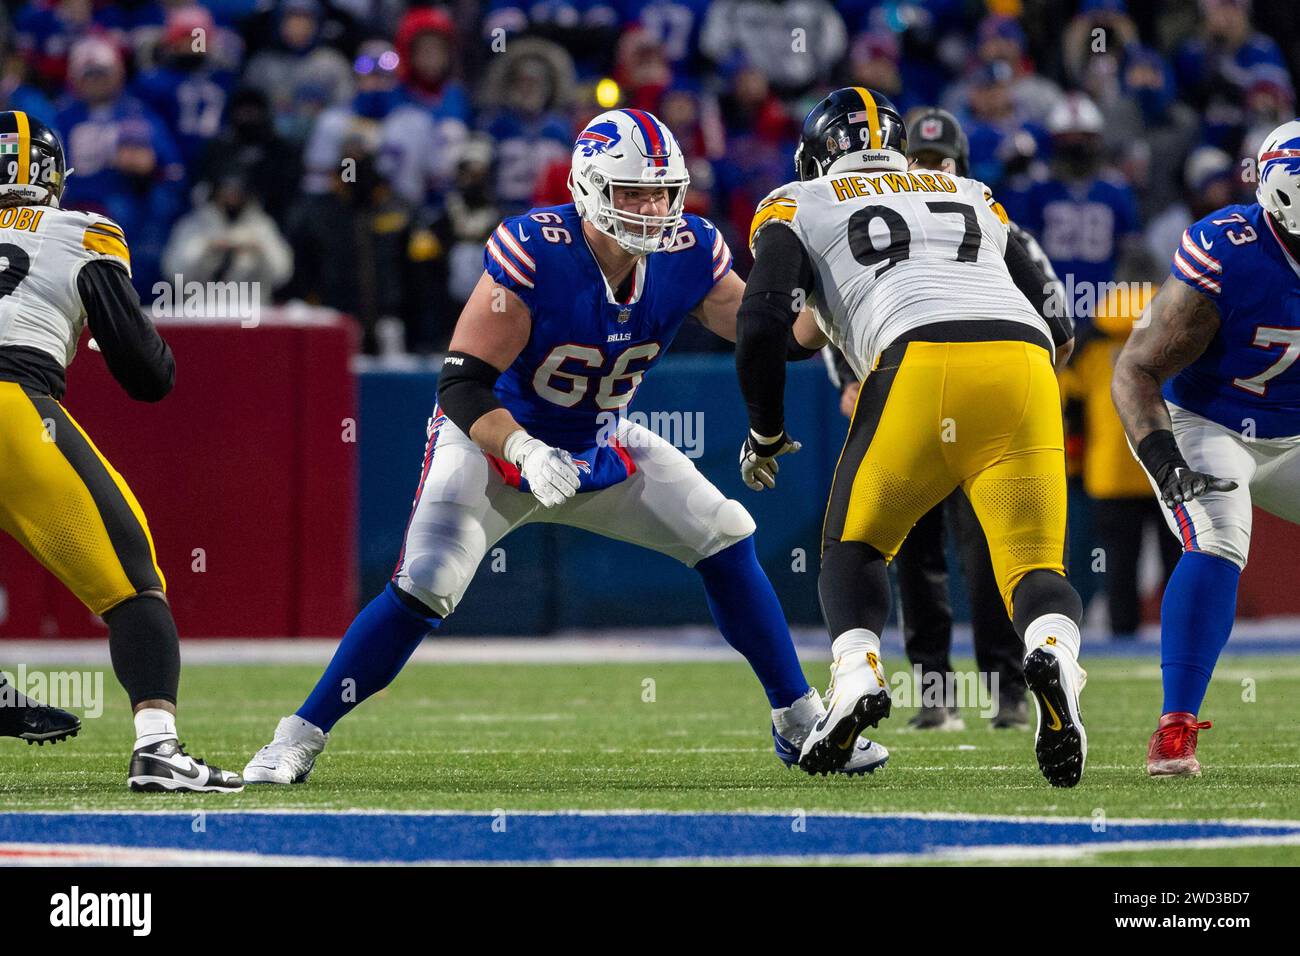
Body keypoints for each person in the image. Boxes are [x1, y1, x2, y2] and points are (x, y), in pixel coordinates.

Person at [242, 109, 889, 784]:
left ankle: (796, 718)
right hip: (491, 443)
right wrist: (522, 450)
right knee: (427, 583)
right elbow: (461, 385)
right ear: (587, 188)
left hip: (600, 441)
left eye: (662, 191)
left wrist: (846, 297)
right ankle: (297, 737)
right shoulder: (537, 250)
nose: (651, 208)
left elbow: (776, 336)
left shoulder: (689, 250)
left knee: (725, 534)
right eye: (632, 192)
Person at [734, 88, 1088, 787]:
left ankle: (858, 674)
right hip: (1025, 364)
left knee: (855, 547)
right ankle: (1054, 655)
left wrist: (766, 430)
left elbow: (761, 324)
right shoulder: (971, 190)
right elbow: (1055, 318)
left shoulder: (796, 201)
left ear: (817, 155)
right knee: (1035, 570)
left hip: (918, 360)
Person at [0, 111, 241, 792]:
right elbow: (148, 375)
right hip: (12, 406)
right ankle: (158, 747)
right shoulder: (80, 231)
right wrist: (112, 330)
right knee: (133, 586)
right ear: (52, 179)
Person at [827, 106, 1072, 730]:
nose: (933, 169)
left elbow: (1056, 312)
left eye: (942, 161)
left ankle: (1007, 689)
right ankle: (938, 690)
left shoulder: (994, 222)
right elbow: (1058, 331)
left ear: (960, 165)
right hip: (943, 391)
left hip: (927, 390)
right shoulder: (979, 212)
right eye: (922, 160)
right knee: (918, 556)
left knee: (989, 553)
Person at [1111, 120, 1300, 777]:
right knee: (1220, 536)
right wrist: (1163, 461)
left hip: (1294, 428)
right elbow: (1134, 369)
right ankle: (1175, 729)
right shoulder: (1230, 249)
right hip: (1208, 424)